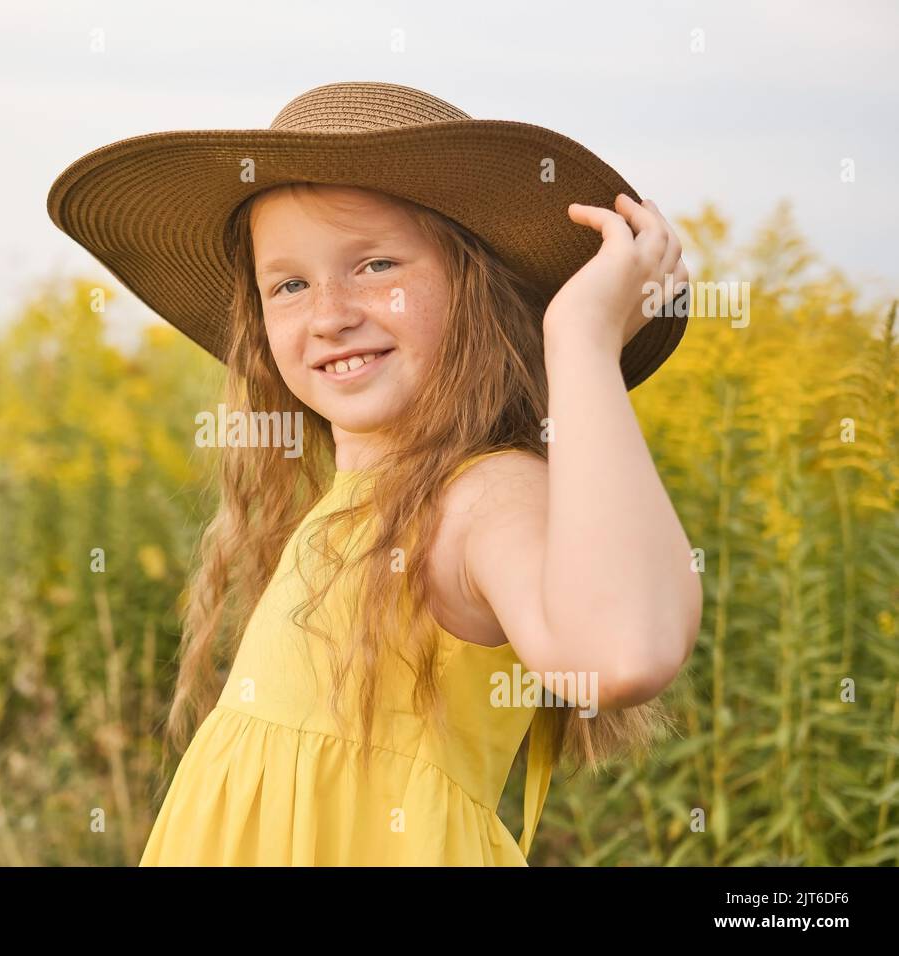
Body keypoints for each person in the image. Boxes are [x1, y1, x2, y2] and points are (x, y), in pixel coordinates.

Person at [47, 81, 702, 865]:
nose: (329, 314)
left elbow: (622, 655)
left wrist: (581, 341)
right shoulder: (351, 506)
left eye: (375, 265)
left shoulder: (482, 496)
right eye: (289, 284)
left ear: (479, 288)